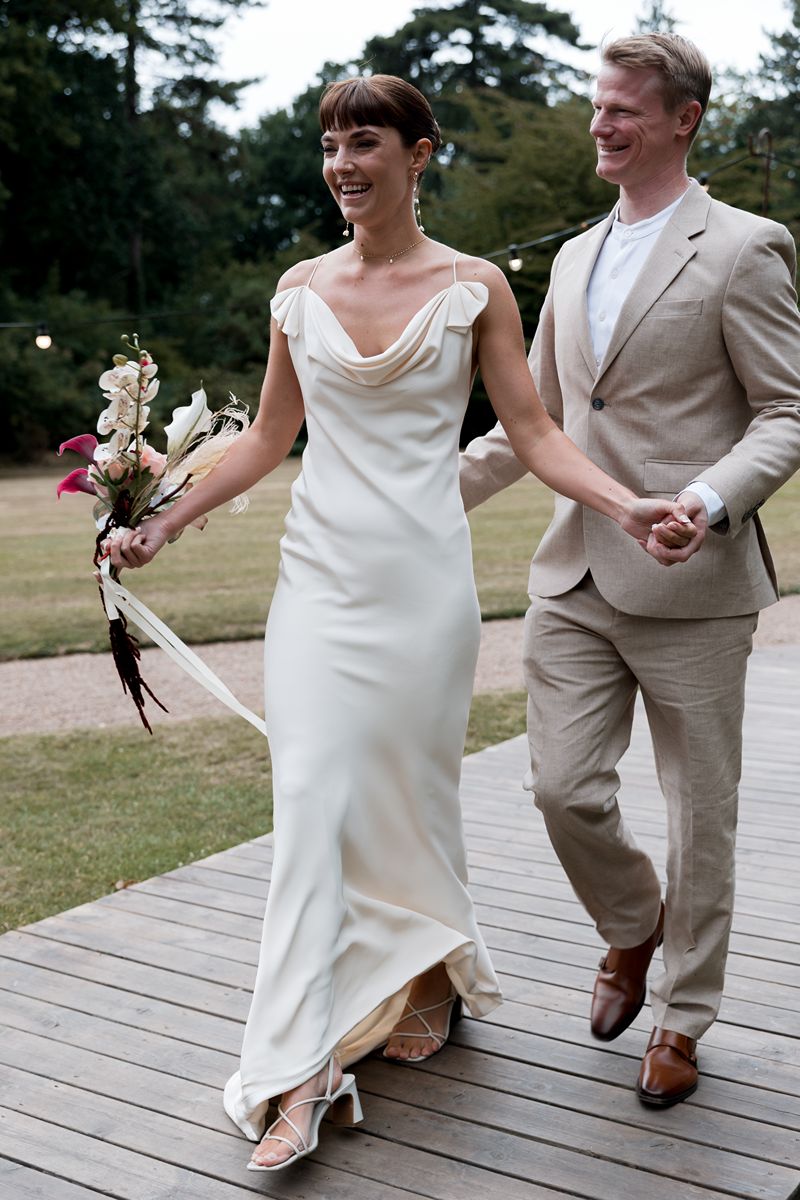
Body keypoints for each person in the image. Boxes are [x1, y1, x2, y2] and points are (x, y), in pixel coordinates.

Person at [107, 74, 691, 1169]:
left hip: (423, 593)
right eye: (330, 143)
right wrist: (161, 524)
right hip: (316, 588)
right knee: (312, 807)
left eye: (364, 141)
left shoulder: (475, 289)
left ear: (419, 156)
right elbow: (267, 437)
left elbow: (533, 433)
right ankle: (299, 1070)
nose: (342, 162)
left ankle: (428, 974)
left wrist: (623, 506)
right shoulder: (297, 290)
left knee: (411, 801)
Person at [460, 33, 800, 1109]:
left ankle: (683, 1017)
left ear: (682, 119)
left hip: (692, 582)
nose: (600, 125)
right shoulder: (571, 257)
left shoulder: (745, 247)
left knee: (700, 813)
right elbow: (540, 419)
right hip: (573, 574)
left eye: (622, 109)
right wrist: (415, 495)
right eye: (596, 105)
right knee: (560, 788)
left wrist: (706, 502)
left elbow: (785, 412)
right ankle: (630, 922)